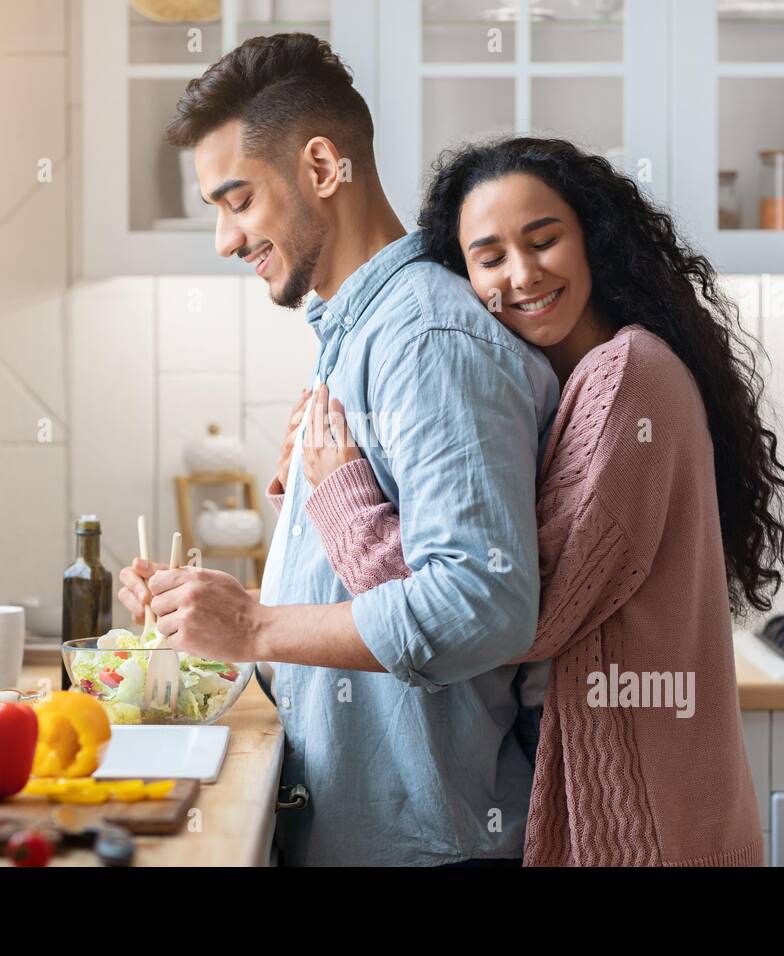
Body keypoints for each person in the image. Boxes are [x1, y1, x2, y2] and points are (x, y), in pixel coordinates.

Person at [285, 137, 784, 865]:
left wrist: (343, 501)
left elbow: (500, 619)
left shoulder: (628, 377)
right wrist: (334, 468)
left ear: (593, 238)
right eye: (489, 257)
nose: (523, 274)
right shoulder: (566, 386)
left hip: (646, 826)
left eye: (543, 241)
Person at [119, 34, 558, 866]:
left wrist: (253, 625)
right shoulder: (359, 335)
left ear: (322, 167)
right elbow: (358, 593)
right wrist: (213, 611)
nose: (224, 238)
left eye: (238, 201)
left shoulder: (428, 341)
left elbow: (479, 606)